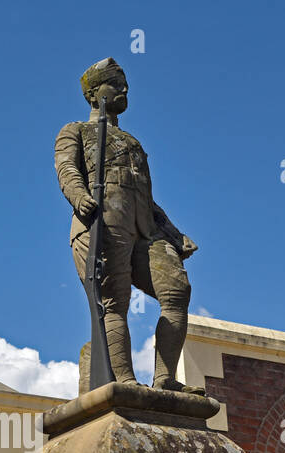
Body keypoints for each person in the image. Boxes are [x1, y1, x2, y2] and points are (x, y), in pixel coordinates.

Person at [55, 57, 205, 394]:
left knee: (177, 291)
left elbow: (143, 194)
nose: (123, 89)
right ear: (94, 94)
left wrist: (172, 230)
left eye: (125, 84)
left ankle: (165, 378)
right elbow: (67, 169)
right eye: (114, 82)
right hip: (101, 223)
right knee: (114, 302)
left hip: (146, 229)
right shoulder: (75, 130)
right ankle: (123, 382)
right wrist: (80, 197)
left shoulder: (133, 141)